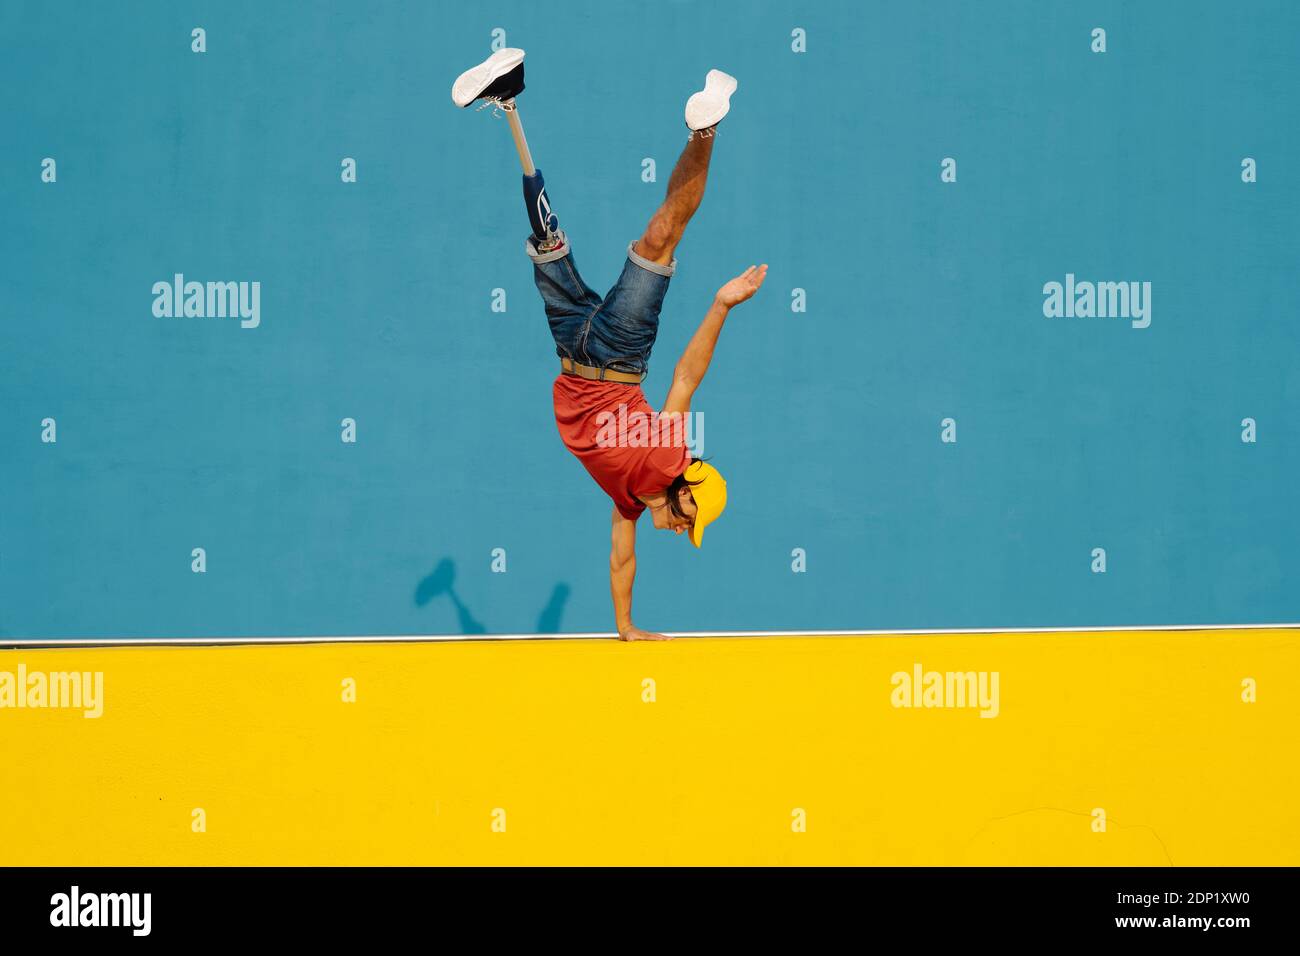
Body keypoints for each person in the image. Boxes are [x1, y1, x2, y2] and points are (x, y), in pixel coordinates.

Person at [453, 49, 767, 640]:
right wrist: (722, 305)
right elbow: (685, 378)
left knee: (546, 240)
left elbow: (622, 560)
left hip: (571, 345)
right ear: (687, 488)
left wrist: (626, 627)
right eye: (690, 520)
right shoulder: (669, 456)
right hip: (622, 349)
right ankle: (705, 129)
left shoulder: (630, 501)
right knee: (661, 236)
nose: (682, 531)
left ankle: (508, 99)